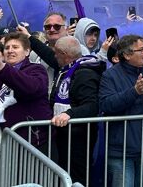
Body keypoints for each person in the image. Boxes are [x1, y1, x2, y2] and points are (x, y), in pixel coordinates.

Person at [99, 34, 143, 187]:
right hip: (121, 152)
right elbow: (106, 105)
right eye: (141, 50)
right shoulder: (110, 75)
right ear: (126, 54)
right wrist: (135, 91)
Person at [49, 35, 105, 185]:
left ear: (64, 55)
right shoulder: (67, 70)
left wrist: (69, 114)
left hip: (79, 138)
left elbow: (92, 105)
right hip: (64, 135)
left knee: (77, 178)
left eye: (56, 53)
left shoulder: (84, 73)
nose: (54, 56)